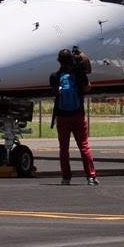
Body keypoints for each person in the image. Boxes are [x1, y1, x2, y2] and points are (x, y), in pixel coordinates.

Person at [49, 47, 98, 186]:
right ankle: (91, 176)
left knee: (64, 149)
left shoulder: (55, 76)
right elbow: (88, 87)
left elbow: (54, 89)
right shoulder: (78, 74)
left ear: (59, 61)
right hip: (78, 115)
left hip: (62, 116)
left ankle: (66, 177)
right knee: (84, 146)